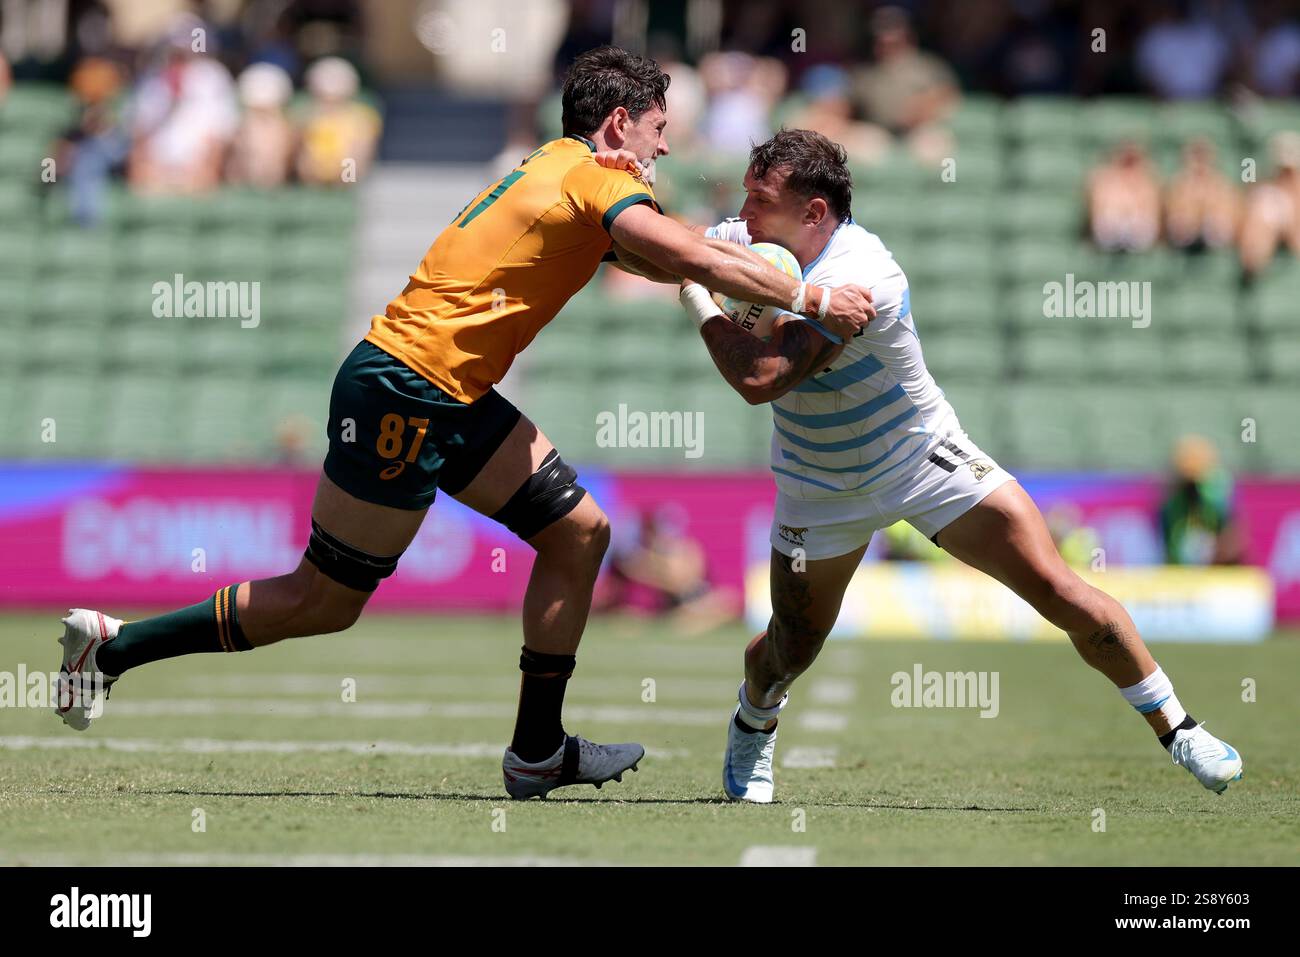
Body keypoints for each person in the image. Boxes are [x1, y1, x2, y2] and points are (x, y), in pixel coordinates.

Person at [52, 47, 878, 801]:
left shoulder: (564, 171)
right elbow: (684, 255)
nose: (664, 148)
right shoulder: (592, 179)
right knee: (323, 600)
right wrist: (808, 294)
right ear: (620, 123)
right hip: (406, 390)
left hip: (445, 388)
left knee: (580, 533)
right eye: (659, 130)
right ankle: (113, 648)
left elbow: (661, 252)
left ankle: (536, 750)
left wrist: (730, 254)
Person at [652, 128, 1243, 802]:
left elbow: (761, 379)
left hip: (921, 457)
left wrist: (698, 295)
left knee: (1056, 586)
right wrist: (633, 226)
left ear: (814, 214)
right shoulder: (752, 241)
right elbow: (660, 246)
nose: (745, 214)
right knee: (791, 645)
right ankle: (754, 722)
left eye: (760, 201)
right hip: (819, 483)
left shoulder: (863, 276)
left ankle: (1180, 727)